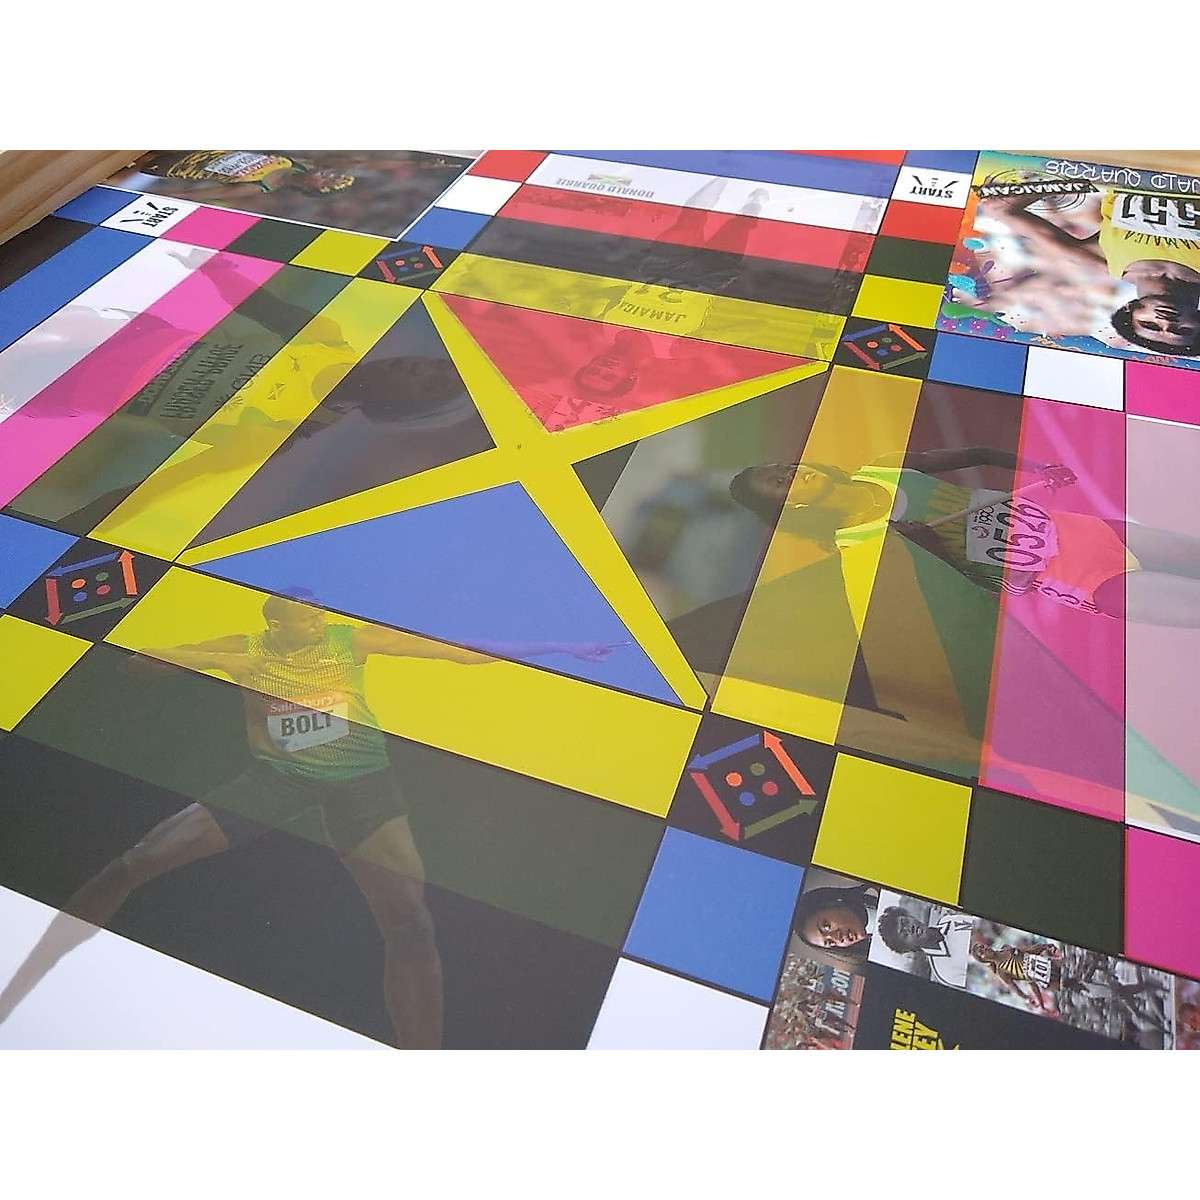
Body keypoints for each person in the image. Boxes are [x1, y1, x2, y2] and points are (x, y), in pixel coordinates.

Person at [0, 591, 623, 1048]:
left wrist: (558, 646)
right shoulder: (245, 649)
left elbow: (455, 653)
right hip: (278, 779)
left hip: (362, 785)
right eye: (308, 614)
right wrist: (194, 660)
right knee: (134, 863)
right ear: (277, 622)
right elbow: (138, 663)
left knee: (412, 925)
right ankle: (26, 981)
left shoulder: (348, 640)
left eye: (322, 611)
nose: (321, 617)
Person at [730, 447, 1200, 627]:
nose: (792, 472)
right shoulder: (857, 545)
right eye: (779, 482)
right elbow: (956, 601)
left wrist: (1039, 467)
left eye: (783, 465)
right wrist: (928, 551)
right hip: (1076, 579)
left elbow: (977, 452)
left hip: (1084, 530)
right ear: (789, 508)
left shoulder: (882, 467)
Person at [988, 190, 1200, 356]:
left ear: (1128, 311)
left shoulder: (1101, 259)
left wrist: (1078, 174)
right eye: (1182, 330)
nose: (1167, 322)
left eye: (1149, 325)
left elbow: (1000, 208)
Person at [136, 151, 355, 196]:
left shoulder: (259, 187)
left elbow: (194, 195)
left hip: (171, 164)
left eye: (325, 180)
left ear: (309, 188)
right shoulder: (295, 162)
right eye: (330, 173)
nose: (326, 173)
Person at [792, 882, 879, 961]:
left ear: (831, 903)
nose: (837, 938)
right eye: (831, 942)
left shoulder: (877, 887)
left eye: (827, 927)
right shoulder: (876, 953)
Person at [970, 938, 1061, 1012]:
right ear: (983, 960)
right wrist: (1033, 1000)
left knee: (1066, 964)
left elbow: (1029, 951)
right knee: (1065, 985)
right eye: (981, 952)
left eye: (982, 947)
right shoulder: (1001, 971)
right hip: (1049, 980)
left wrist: (1045, 947)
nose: (984, 949)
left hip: (1051, 963)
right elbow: (1020, 988)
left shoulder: (1007, 948)